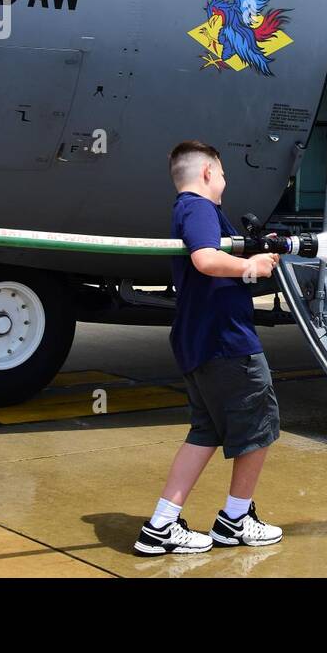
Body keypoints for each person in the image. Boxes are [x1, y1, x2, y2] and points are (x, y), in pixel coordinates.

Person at [133, 141, 284, 556]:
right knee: (260, 426)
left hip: (199, 341)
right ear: (206, 173)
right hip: (226, 342)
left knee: (205, 431)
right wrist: (250, 267)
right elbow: (204, 258)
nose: (224, 181)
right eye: (222, 173)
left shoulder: (187, 210)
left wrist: (256, 253)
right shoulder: (198, 208)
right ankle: (236, 520)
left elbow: (214, 260)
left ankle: (161, 525)